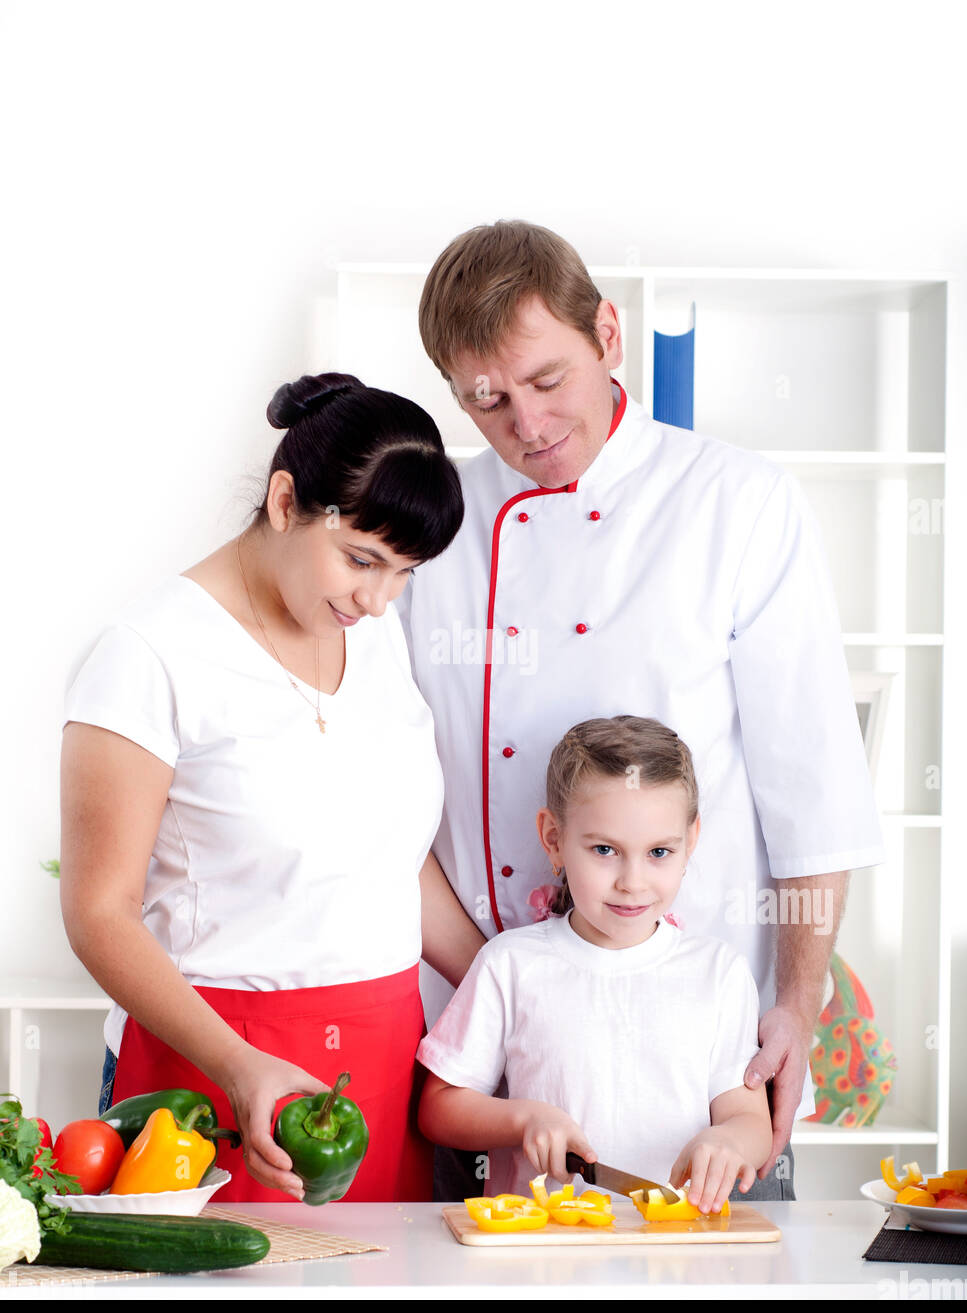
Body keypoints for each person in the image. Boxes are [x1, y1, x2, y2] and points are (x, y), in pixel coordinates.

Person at [400, 220, 884, 1198]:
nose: (525, 424)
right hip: (482, 1039)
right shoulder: (432, 527)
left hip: (703, 1055)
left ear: (608, 334)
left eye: (546, 381)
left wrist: (794, 1000)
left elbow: (813, 784)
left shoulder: (735, 502)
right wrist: (504, 973)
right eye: (484, 399)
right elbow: (388, 795)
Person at [59, 371, 487, 1202]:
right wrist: (240, 1066)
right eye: (361, 560)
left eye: (403, 572)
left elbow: (389, 855)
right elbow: (96, 913)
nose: (377, 597)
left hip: (384, 1058)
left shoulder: (369, 631)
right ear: (286, 502)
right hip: (213, 1062)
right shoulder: (149, 656)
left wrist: (516, 990)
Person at [417, 717, 773, 1213]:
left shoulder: (719, 973)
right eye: (604, 850)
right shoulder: (510, 963)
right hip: (540, 1250)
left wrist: (731, 1142)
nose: (632, 881)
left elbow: (750, 1118)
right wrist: (523, 1120)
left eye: (659, 852)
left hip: (675, 1249)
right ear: (554, 838)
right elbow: (438, 1108)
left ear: (691, 841)